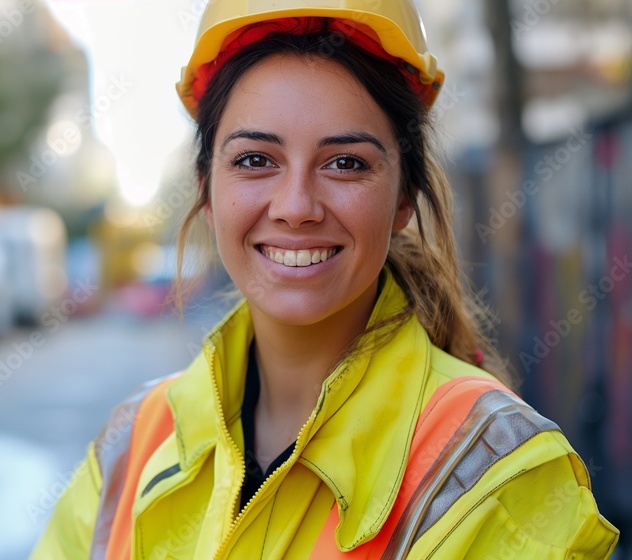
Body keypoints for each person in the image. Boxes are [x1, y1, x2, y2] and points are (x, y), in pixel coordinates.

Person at [32, 0, 620, 558]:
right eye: (255, 159)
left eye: (346, 163)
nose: (295, 206)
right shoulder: (133, 443)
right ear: (207, 190)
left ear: (403, 198)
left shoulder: (503, 477)